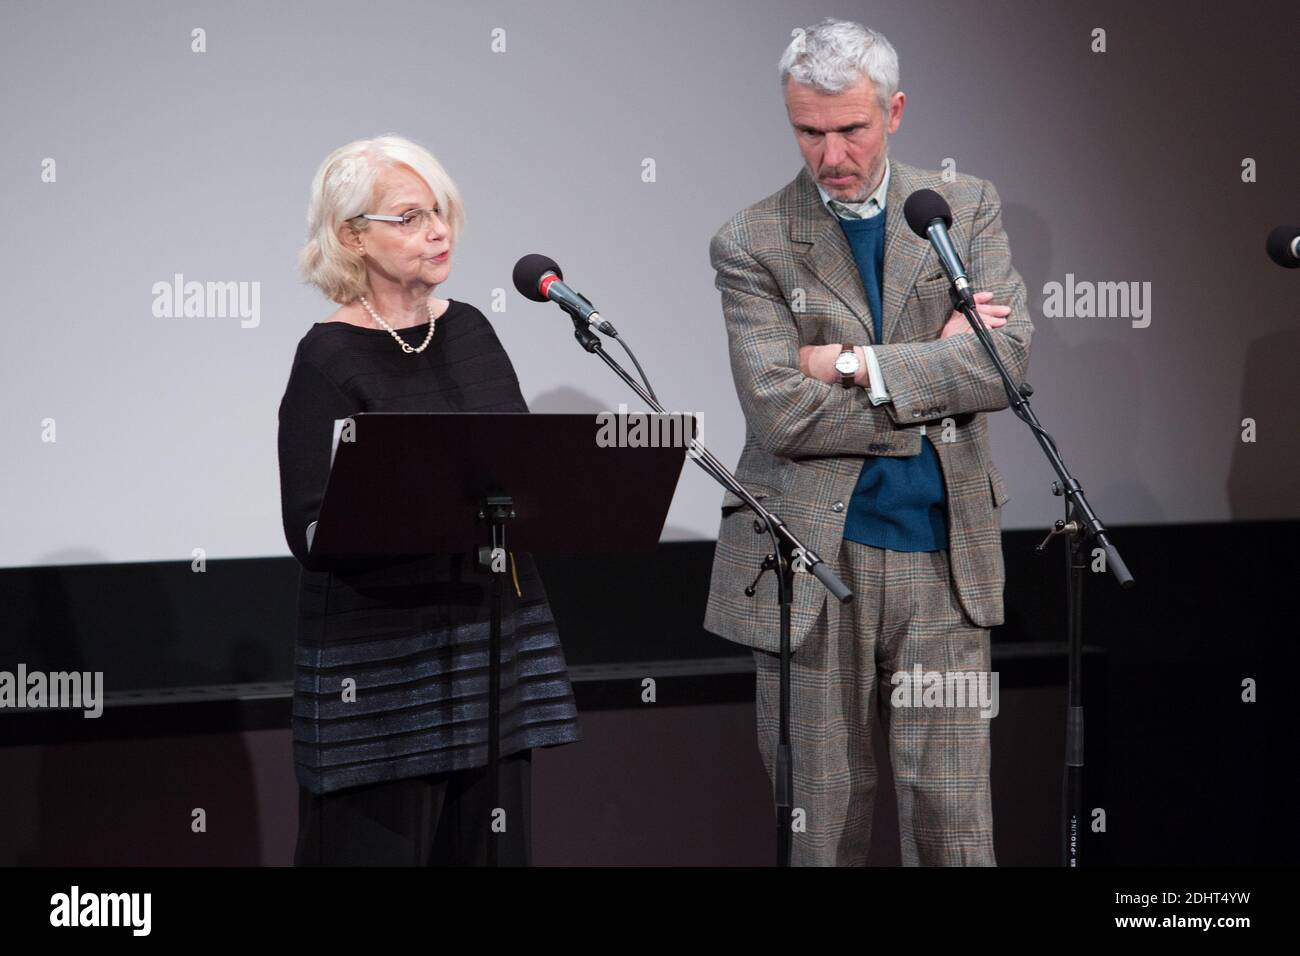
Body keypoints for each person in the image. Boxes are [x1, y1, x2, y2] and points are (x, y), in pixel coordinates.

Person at [703, 20, 1033, 865]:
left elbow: (1007, 365)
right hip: (811, 565)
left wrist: (848, 362)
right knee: (822, 830)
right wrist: (935, 375)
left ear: (895, 111)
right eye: (808, 131)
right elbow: (781, 413)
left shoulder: (963, 209)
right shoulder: (753, 240)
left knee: (957, 832)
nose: (831, 153)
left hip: (946, 564)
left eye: (851, 128)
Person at [279, 134, 581, 865]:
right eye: (410, 217)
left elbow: (521, 472)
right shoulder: (326, 356)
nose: (438, 231)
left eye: (440, 212)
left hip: (489, 650)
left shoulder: (471, 330)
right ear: (353, 235)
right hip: (379, 673)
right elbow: (312, 529)